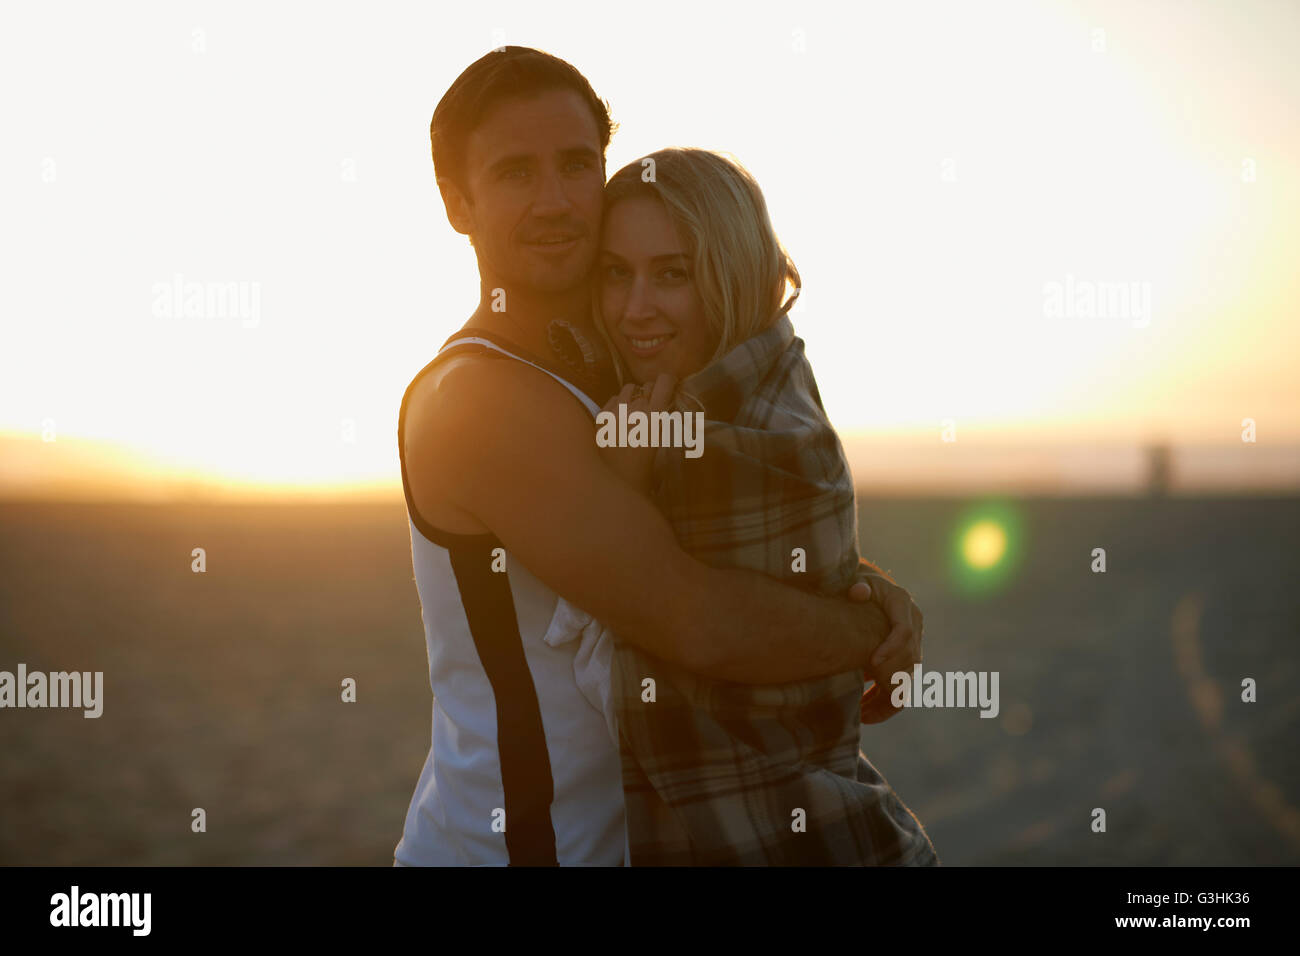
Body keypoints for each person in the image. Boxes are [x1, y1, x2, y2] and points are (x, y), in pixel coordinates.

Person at [393, 46, 924, 866]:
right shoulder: (475, 399)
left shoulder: (619, 362)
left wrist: (870, 584)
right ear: (456, 203)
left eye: (576, 165)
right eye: (515, 174)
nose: (557, 200)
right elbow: (695, 618)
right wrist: (868, 628)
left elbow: (707, 538)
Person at [542, 148, 939, 865]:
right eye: (616, 274)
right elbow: (790, 575)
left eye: (673, 274)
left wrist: (626, 483)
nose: (636, 309)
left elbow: (684, 617)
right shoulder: (759, 379)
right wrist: (874, 605)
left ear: (731, 274)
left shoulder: (715, 437)